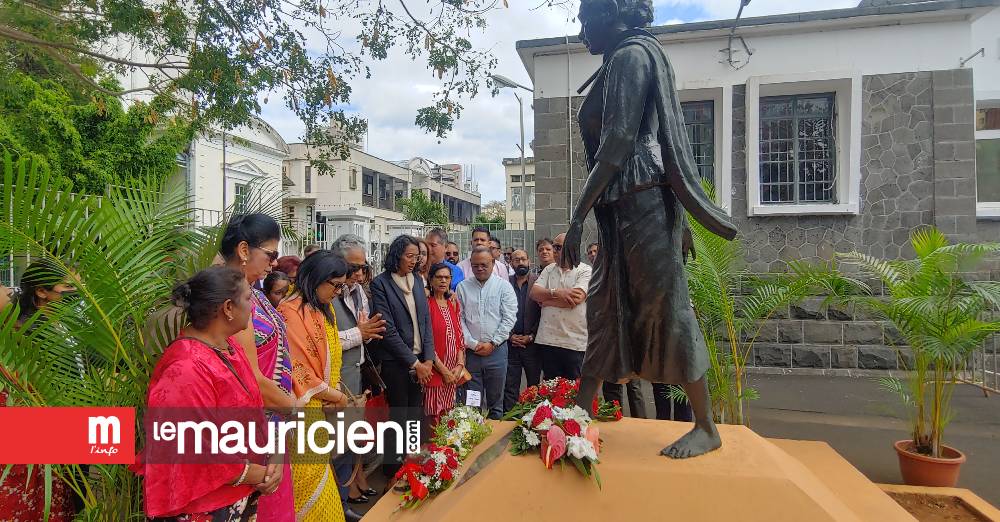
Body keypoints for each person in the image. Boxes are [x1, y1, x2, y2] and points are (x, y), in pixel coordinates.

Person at [564, 0, 738, 459]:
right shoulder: (615, 63)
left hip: (640, 198)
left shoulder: (631, 56)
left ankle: (705, 426)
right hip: (623, 205)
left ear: (612, 14)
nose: (583, 32)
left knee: (669, 309)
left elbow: (621, 140)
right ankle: (579, 417)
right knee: (603, 306)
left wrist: (576, 216)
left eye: (587, 20)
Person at [142, 266, 280, 520]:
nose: (253, 308)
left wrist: (273, 459)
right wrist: (260, 474)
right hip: (204, 507)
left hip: (238, 493)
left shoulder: (229, 348)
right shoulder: (186, 368)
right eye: (249, 299)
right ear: (228, 308)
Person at [221, 213, 297, 522]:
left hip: (274, 423)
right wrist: (295, 409)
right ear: (243, 250)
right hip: (253, 430)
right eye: (270, 254)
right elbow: (249, 378)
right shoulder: (231, 298)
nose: (274, 263)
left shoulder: (252, 291)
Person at [0, 260, 77, 521]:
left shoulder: (57, 324)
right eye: (66, 287)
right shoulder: (26, 333)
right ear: (41, 292)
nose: (74, 292)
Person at [278, 251, 351, 522]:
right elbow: (300, 372)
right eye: (336, 285)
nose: (338, 292)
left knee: (322, 488)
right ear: (317, 278)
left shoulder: (322, 308)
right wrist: (337, 397)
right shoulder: (291, 312)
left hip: (321, 410)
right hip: (302, 416)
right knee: (307, 492)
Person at [369, 235, 436, 480]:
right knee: (398, 414)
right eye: (410, 256)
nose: (414, 261)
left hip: (421, 360)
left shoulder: (418, 280)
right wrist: (414, 363)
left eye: (417, 257)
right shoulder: (381, 284)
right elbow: (388, 329)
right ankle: (393, 469)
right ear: (396, 255)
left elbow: (426, 321)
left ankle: (412, 461)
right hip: (397, 362)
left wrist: (427, 359)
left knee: (414, 414)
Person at [330, 234, 385, 508]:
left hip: (357, 374)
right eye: (353, 268)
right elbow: (324, 341)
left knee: (353, 440)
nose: (360, 274)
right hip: (336, 382)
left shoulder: (359, 292)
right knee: (337, 447)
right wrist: (359, 333)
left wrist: (366, 333)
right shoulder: (325, 295)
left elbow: (362, 330)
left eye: (364, 268)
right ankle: (340, 502)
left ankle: (347, 497)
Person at [456, 246, 517, 419]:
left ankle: (494, 442)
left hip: (496, 353)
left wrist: (493, 343)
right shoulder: (462, 288)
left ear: (493, 263)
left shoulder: (504, 287)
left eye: (484, 264)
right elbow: (459, 319)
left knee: (495, 404)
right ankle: (473, 438)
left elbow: (509, 318)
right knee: (472, 403)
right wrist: (473, 344)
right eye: (475, 265)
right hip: (472, 354)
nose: (480, 268)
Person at [531, 233, 592, 380]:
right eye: (555, 246)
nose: (555, 250)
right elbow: (534, 293)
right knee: (551, 391)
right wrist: (557, 292)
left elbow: (575, 299)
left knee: (574, 392)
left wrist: (546, 301)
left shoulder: (585, 270)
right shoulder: (549, 269)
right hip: (548, 340)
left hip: (575, 343)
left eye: (559, 247)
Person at [424, 263, 466, 424]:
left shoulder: (453, 303)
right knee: (433, 418)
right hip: (435, 372)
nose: (443, 281)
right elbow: (426, 343)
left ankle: (446, 449)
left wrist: (460, 365)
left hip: (454, 372)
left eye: (447, 277)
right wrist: (444, 371)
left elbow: (459, 337)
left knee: (448, 416)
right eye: (439, 277)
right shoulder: (427, 305)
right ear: (431, 280)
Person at [503, 249, 541, 413]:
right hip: (510, 344)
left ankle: (534, 418)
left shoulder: (538, 283)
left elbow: (543, 314)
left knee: (534, 386)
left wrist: (531, 336)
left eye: (523, 259)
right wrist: (510, 336)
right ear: (511, 263)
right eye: (516, 260)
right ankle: (510, 420)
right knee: (510, 385)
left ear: (529, 261)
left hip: (532, 345)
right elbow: (499, 312)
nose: (520, 262)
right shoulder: (504, 283)